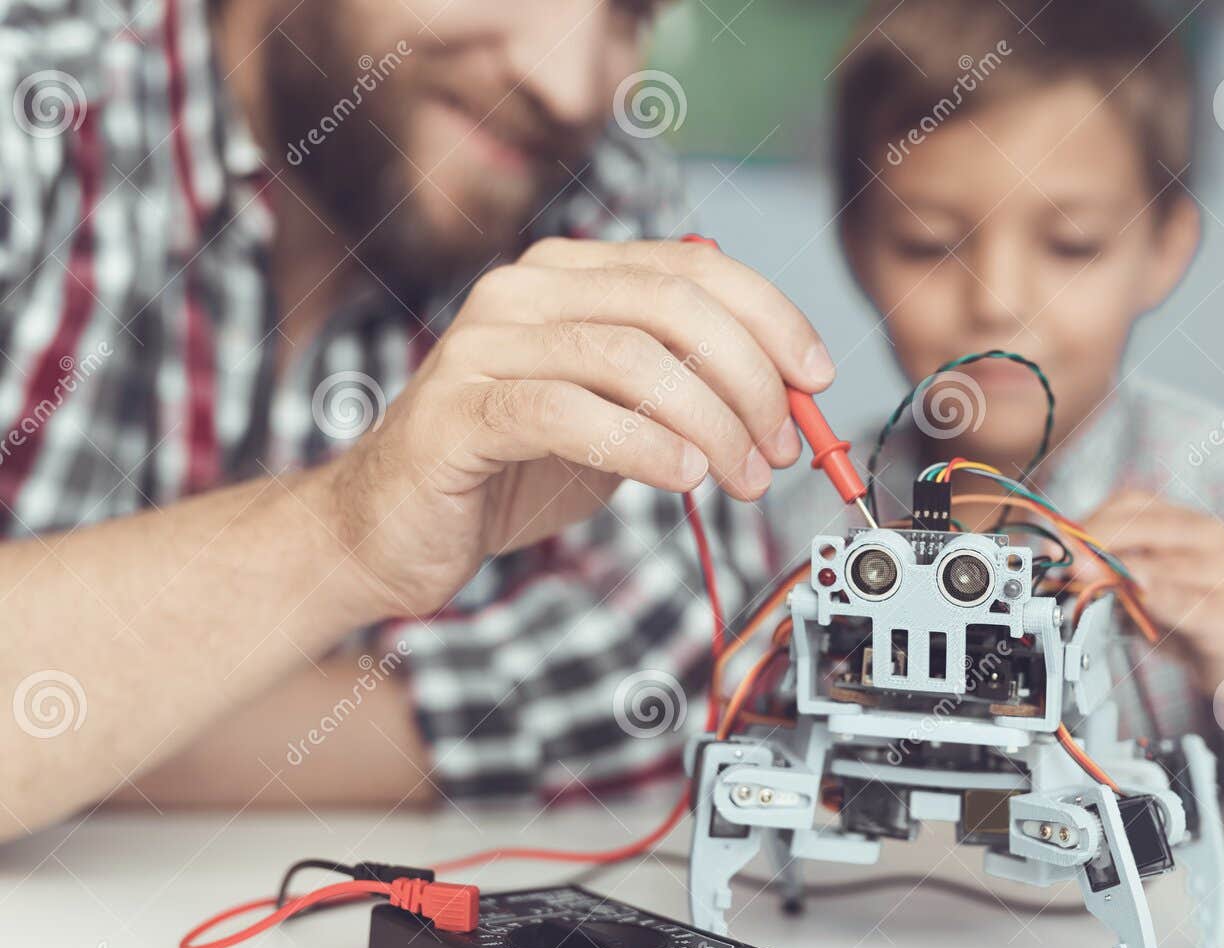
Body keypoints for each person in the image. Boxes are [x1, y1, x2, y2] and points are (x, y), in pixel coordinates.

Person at [0, 0, 823, 838]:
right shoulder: (27, 105)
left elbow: (676, 667)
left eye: (632, 13)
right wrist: (346, 532)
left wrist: (75, 716)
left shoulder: (592, 179)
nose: (569, 85)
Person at [785, 0, 1224, 855]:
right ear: (855, 247)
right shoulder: (812, 523)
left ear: (1167, 247)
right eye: (926, 243)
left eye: (1072, 244)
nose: (998, 301)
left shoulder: (1211, 482)